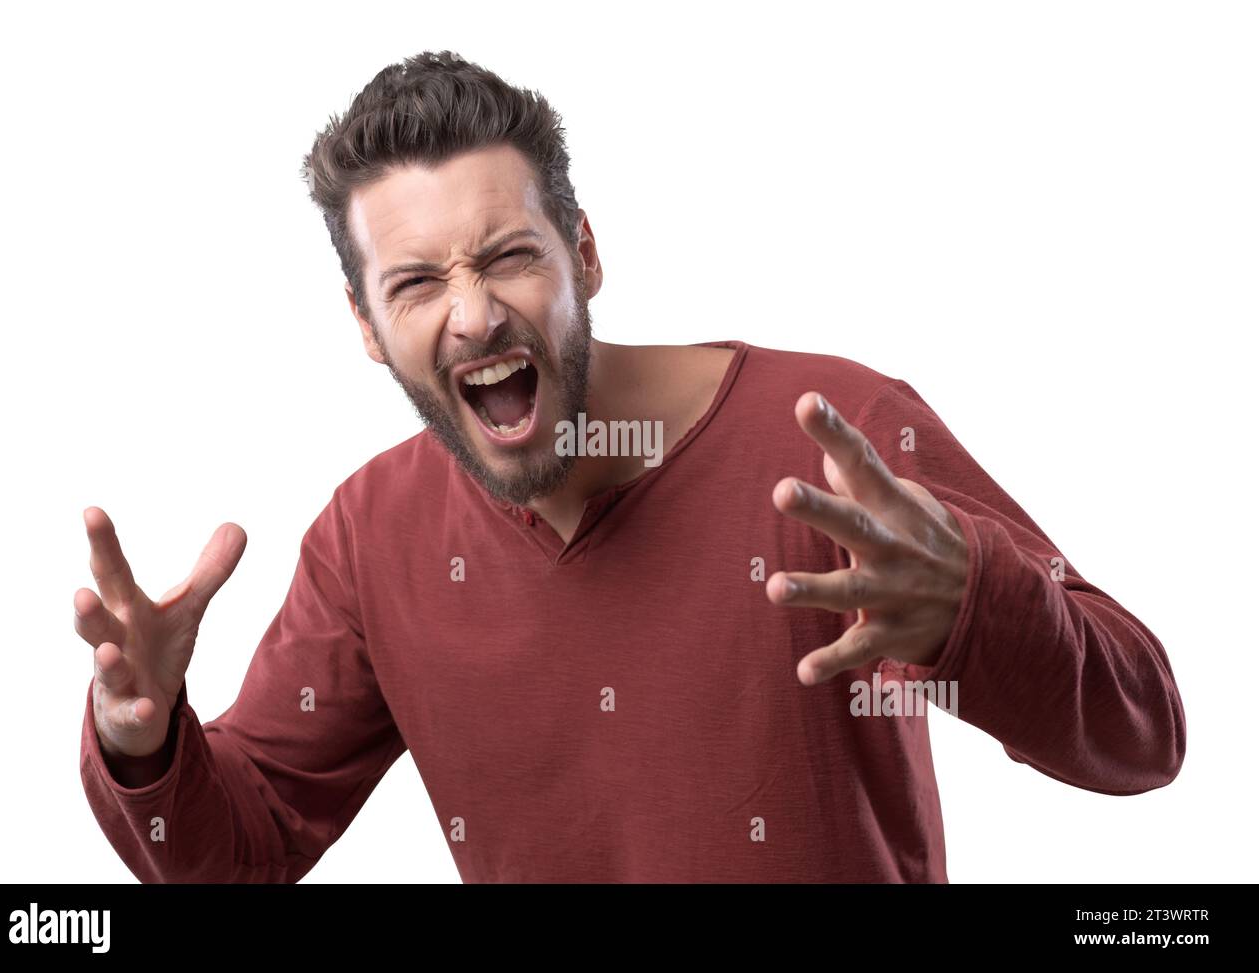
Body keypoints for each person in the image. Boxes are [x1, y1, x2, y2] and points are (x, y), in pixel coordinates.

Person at [76, 50, 1185, 883]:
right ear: (366, 325)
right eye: (414, 285)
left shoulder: (834, 432)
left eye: (509, 256)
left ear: (585, 254)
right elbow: (241, 852)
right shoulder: (372, 537)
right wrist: (146, 738)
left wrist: (976, 609)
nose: (471, 314)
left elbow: (1143, 734)